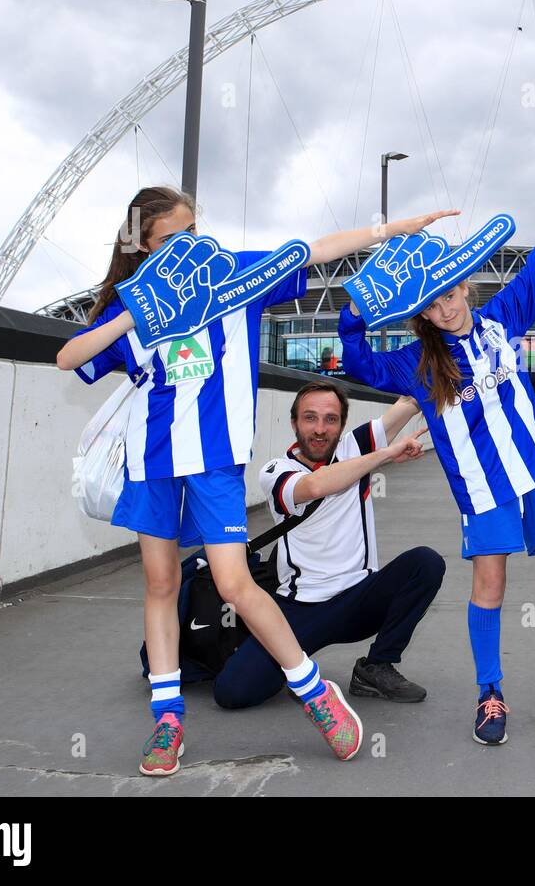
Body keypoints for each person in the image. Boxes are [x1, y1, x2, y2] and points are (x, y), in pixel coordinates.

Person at [56, 184, 458, 773]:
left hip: (215, 462)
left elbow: (315, 250)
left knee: (234, 584)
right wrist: (133, 312)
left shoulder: (231, 279)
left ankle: (317, 695)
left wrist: (391, 230)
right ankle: (168, 722)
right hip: (151, 465)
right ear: (143, 244)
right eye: (171, 238)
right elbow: (70, 358)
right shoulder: (131, 304)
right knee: (161, 586)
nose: (185, 247)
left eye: (193, 233)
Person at [338, 168, 535, 746]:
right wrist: (356, 302)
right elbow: (355, 360)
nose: (445, 308)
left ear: (465, 285)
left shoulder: (503, 319)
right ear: (419, 314)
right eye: (430, 304)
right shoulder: (415, 365)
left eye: (449, 293)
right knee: (490, 589)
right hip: (483, 488)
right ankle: (490, 694)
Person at [212, 382, 443, 708]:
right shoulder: (276, 470)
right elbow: (315, 485)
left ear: (341, 426)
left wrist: (440, 357)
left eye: (330, 420)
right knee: (233, 693)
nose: (320, 429)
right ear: (295, 424)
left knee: (426, 563)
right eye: (310, 418)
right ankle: (293, 664)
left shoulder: (354, 448)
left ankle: (375, 666)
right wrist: (386, 454)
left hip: (358, 601)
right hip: (299, 609)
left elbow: (410, 400)